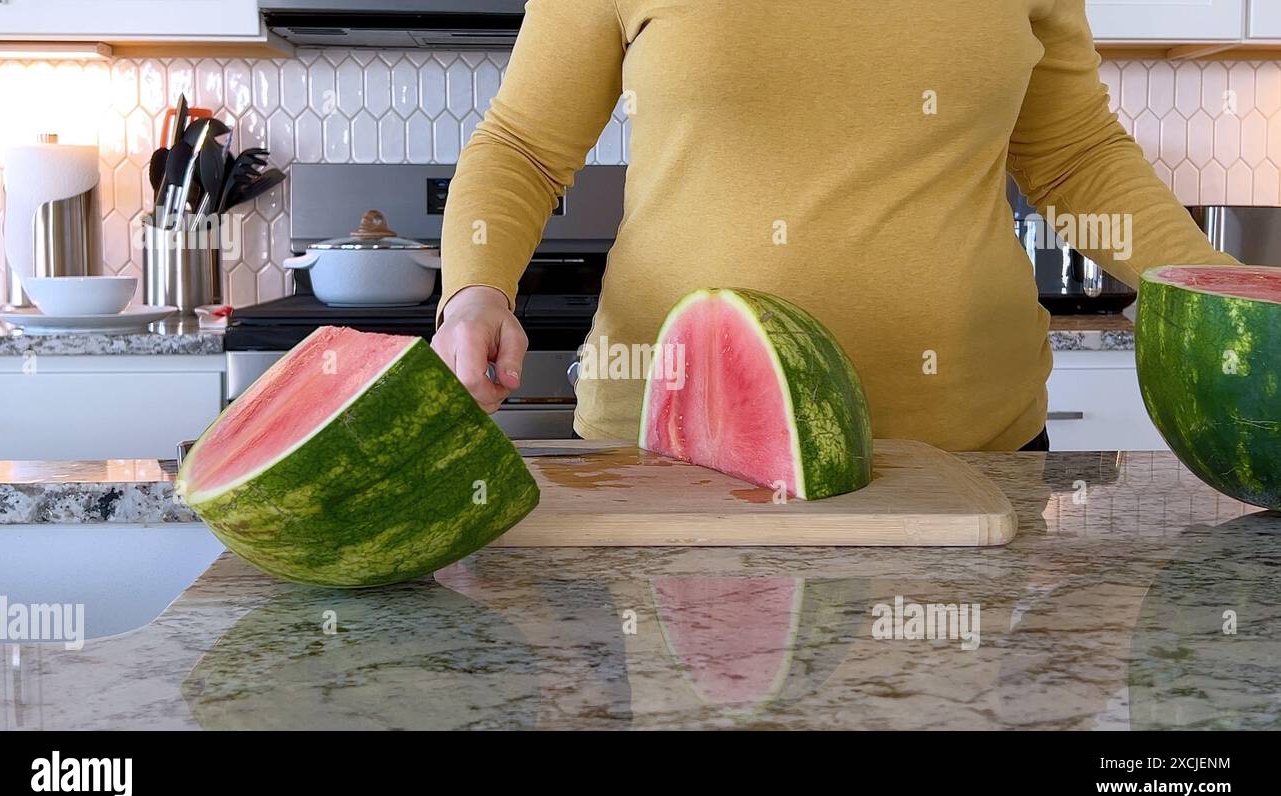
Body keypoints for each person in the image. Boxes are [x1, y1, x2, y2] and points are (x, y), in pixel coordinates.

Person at [430, 0, 1235, 452]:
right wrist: (473, 292)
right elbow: (524, 147)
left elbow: (1073, 154)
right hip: (683, 446)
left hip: (970, 450)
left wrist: (1221, 294)